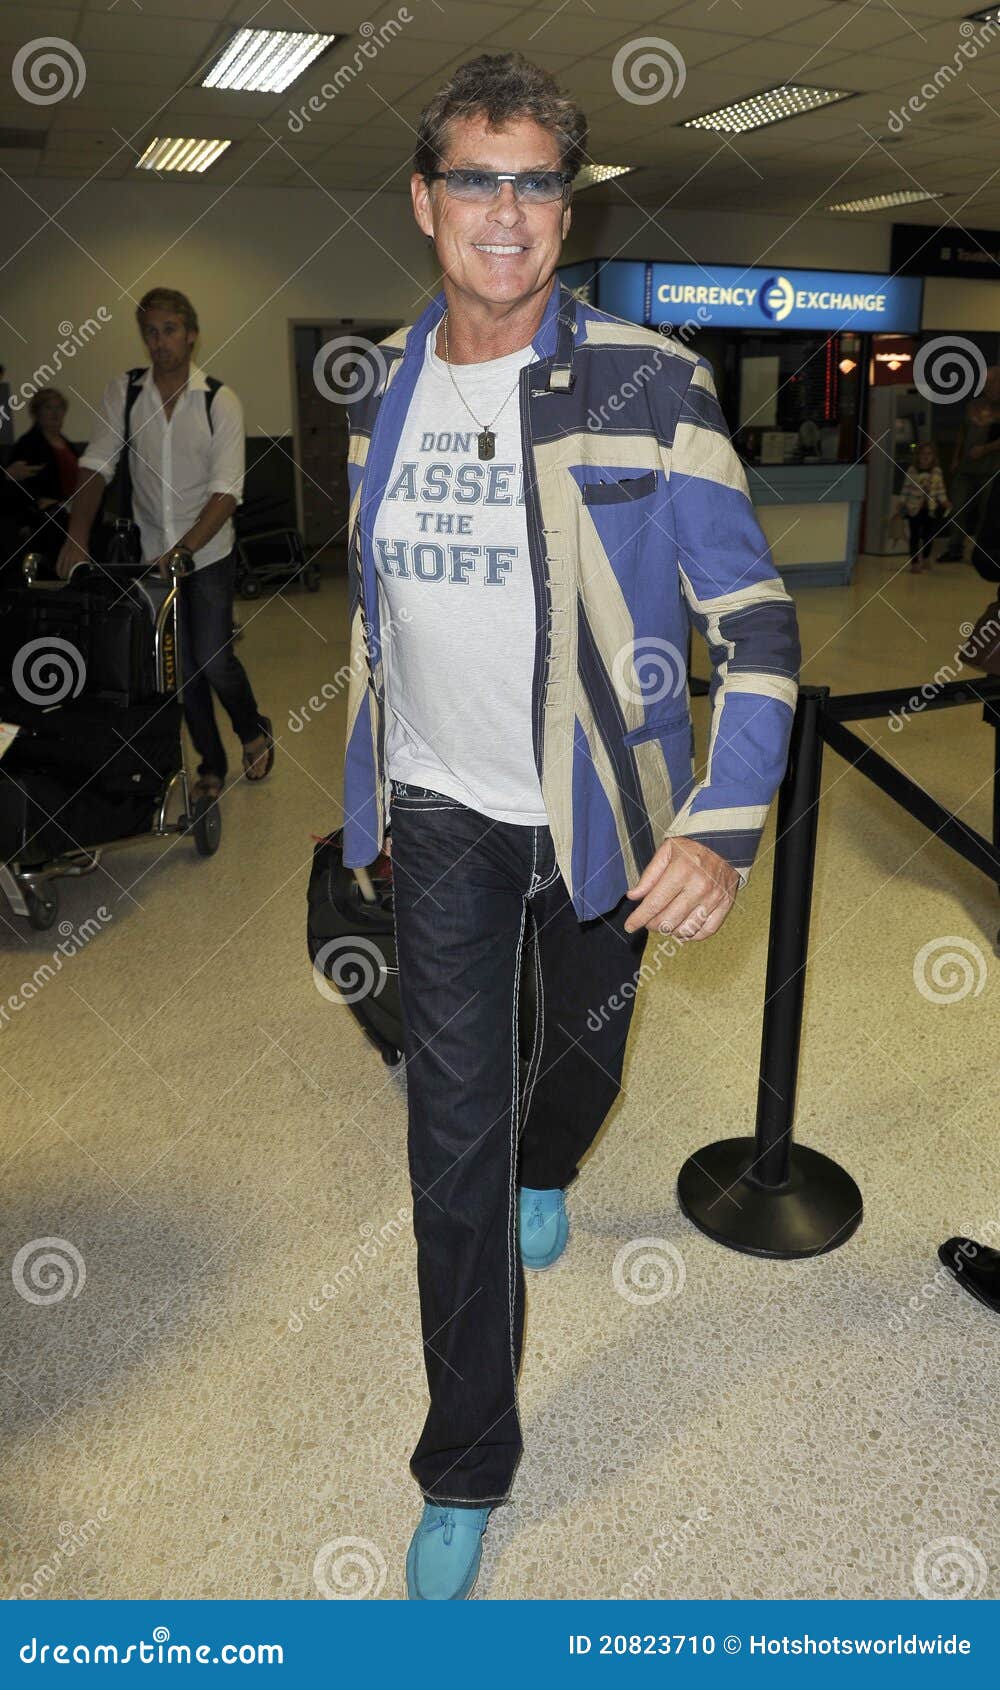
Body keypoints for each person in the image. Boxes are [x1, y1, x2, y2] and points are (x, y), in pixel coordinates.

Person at [339, 52, 801, 1601]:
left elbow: (756, 623)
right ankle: (465, 1459)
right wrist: (372, 784)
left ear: (566, 206)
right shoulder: (380, 386)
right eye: (475, 178)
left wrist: (722, 823)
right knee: (447, 1145)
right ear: (426, 201)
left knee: (582, 1069)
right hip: (444, 818)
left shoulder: (650, 383)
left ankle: (554, 1155)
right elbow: (379, 609)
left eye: (535, 181)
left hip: (606, 821)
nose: (506, 210)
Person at [56, 288, 273, 800]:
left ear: (191, 335)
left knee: (213, 658)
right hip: (150, 559)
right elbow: (96, 465)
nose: (160, 342)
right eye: (150, 332)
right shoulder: (126, 393)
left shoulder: (219, 400)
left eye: (170, 330)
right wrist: (76, 536)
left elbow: (226, 492)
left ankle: (252, 728)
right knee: (179, 670)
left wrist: (185, 550)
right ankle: (211, 764)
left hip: (209, 553)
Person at [938, 365, 1000, 562]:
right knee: (957, 508)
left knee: (986, 512)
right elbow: (962, 432)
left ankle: (981, 552)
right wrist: (955, 458)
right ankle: (954, 547)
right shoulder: (973, 406)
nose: (987, 387)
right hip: (965, 469)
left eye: (991, 382)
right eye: (985, 383)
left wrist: (985, 449)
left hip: (991, 470)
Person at [899, 440, 950, 573]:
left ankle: (926, 558)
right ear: (918, 456)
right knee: (914, 535)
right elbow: (906, 488)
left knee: (929, 535)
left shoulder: (937, 471)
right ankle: (915, 562)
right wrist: (902, 502)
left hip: (930, 508)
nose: (926, 457)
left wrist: (944, 501)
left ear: (934, 456)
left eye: (929, 454)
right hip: (914, 508)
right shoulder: (912, 470)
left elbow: (940, 489)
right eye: (923, 454)